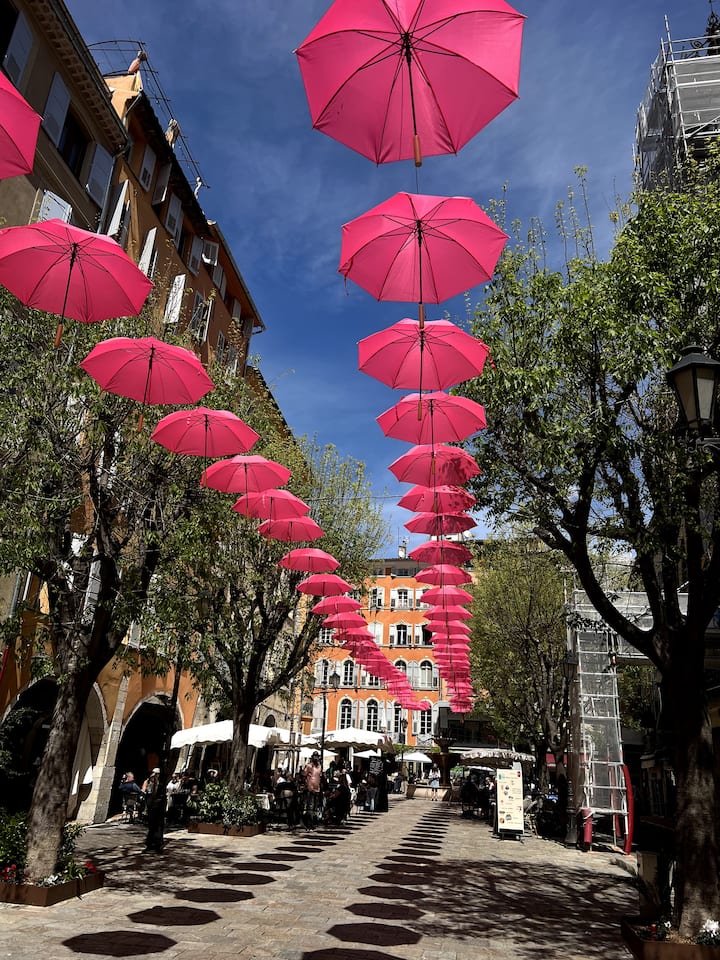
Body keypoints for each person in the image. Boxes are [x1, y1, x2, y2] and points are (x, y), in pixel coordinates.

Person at [302, 751, 323, 829]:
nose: (316, 758)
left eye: (317, 756)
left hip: (317, 788)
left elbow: (320, 776)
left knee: (315, 806)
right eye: (314, 756)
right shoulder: (309, 766)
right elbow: (303, 775)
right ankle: (308, 824)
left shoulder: (319, 766)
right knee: (310, 806)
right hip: (310, 788)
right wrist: (307, 784)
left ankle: (313, 822)